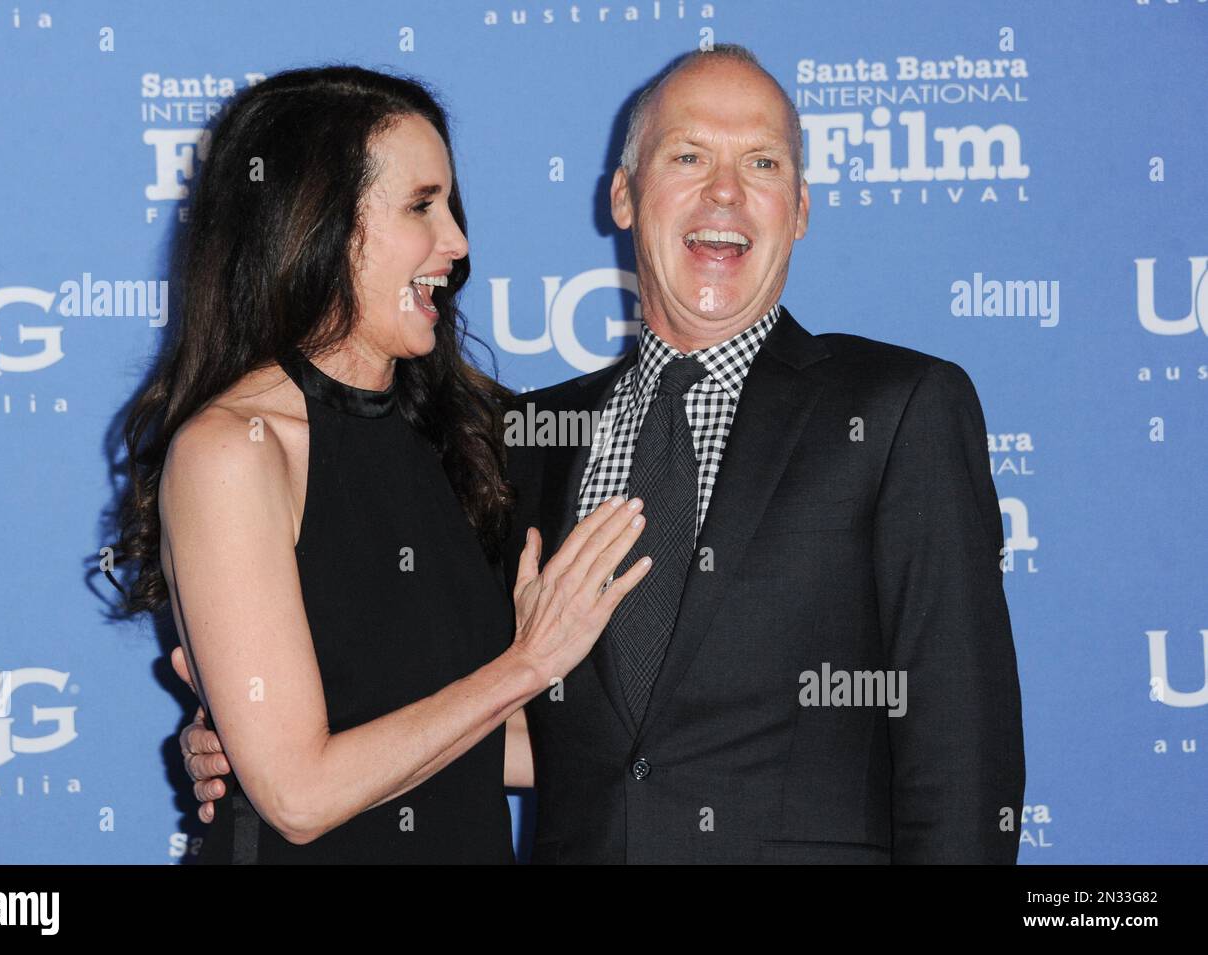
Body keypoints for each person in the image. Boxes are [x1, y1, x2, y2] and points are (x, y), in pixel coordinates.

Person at [179, 46, 1027, 864]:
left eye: (764, 164)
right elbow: (539, 726)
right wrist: (258, 748)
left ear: (802, 207)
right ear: (624, 195)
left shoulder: (897, 408)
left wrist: (278, 761)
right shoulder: (515, 440)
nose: (725, 192)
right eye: (688, 155)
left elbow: (964, 745)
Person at [116, 65, 651, 864]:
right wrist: (529, 663)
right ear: (318, 223)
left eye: (450, 205)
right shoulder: (232, 450)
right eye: (420, 206)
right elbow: (300, 798)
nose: (458, 242)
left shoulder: (467, 432)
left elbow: (482, 746)